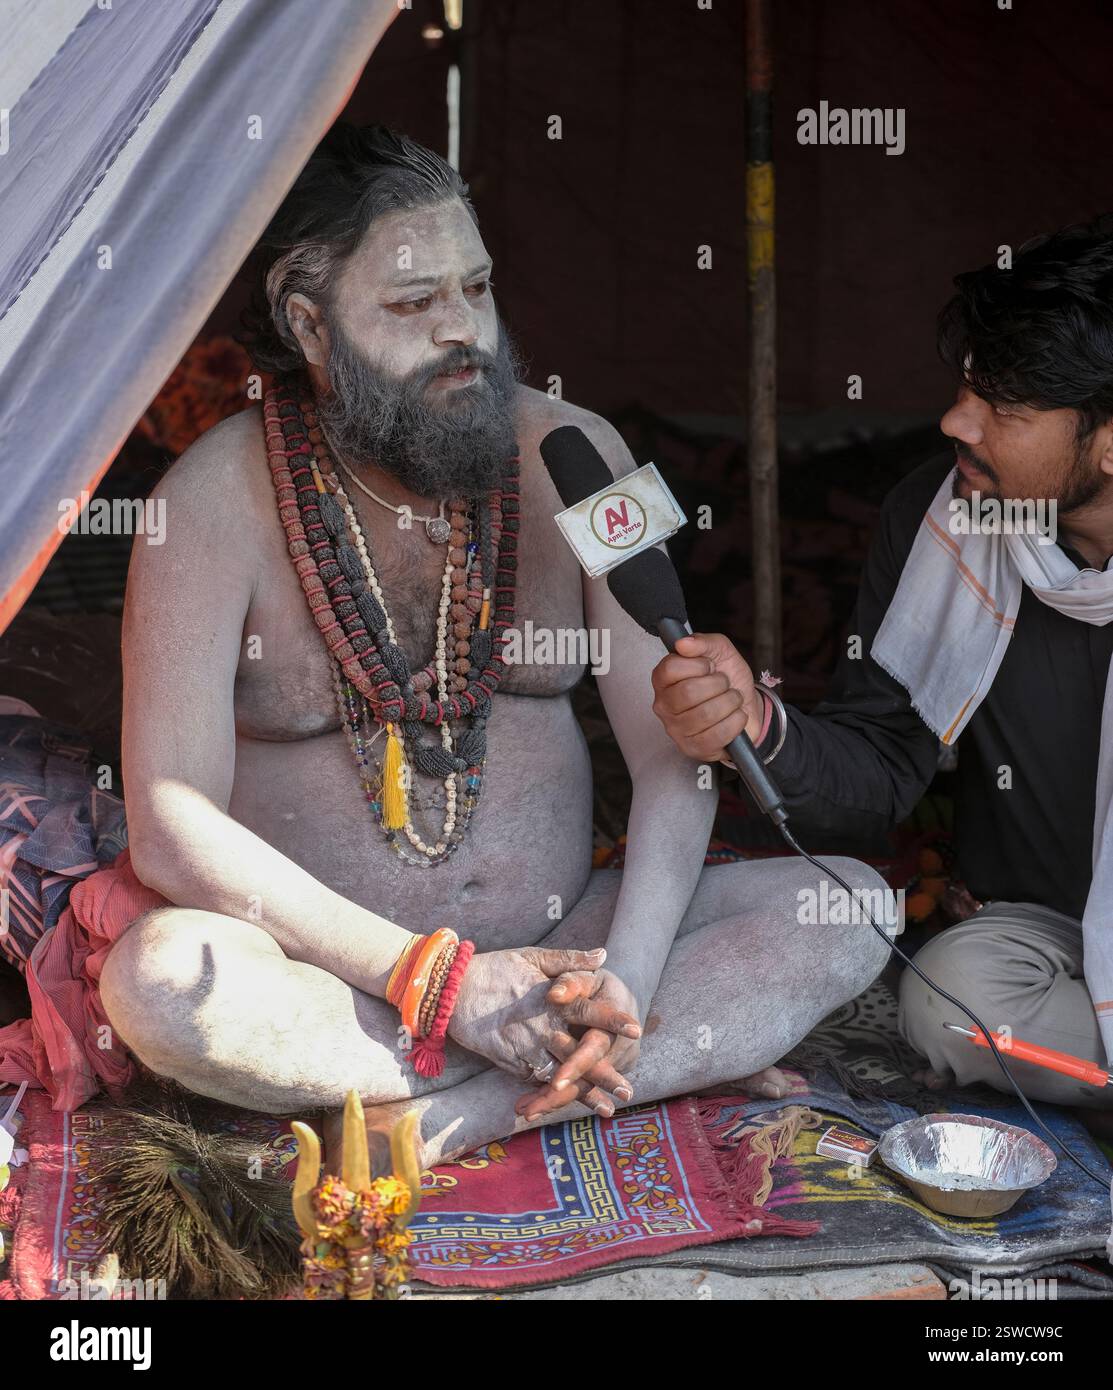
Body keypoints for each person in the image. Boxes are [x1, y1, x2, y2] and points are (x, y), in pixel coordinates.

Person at [91, 122, 888, 1169]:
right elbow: (170, 827)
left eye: (477, 288)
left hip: (572, 953)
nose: (464, 330)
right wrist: (444, 985)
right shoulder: (198, 506)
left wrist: (630, 985)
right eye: (416, 305)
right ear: (310, 324)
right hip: (343, 988)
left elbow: (672, 759)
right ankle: (584, 1077)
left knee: (854, 906)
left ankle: (461, 1115)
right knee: (159, 981)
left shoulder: (590, 456)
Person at [651, 217, 1113, 1112]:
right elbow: (877, 772)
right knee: (952, 1006)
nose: (954, 421)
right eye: (966, 385)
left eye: (1002, 407)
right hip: (1034, 932)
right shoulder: (942, 520)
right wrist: (757, 724)